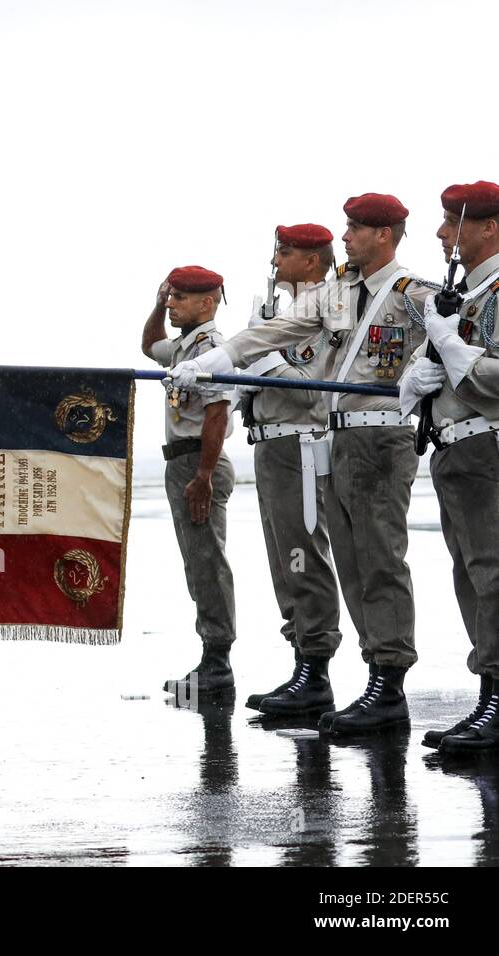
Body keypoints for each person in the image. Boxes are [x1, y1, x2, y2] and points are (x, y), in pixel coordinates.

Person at [172, 193, 431, 735]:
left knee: (376, 562)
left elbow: (453, 352)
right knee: (356, 569)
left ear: (384, 235)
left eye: (356, 228)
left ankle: (385, 683)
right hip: (337, 440)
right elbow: (275, 334)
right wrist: (220, 359)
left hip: (374, 439)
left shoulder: (417, 296)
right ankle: (363, 679)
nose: (347, 236)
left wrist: (436, 375)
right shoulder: (335, 295)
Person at [401, 182, 499, 752]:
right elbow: (412, 381)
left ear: (488, 228)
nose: (442, 234)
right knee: (471, 577)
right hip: (454, 453)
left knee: (494, 574)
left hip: (488, 450)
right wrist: (415, 379)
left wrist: (455, 351)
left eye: (453, 223)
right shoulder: (462, 296)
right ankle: (488, 695)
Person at [238, 226, 343, 717]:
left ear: (311, 262)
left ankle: (316, 670)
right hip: (270, 445)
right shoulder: (280, 316)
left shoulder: (328, 313)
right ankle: (301, 659)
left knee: (305, 557)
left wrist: (268, 359)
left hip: (300, 444)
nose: (277, 260)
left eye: (287, 252)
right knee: (285, 563)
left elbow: (314, 391)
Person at [141, 267, 237, 695]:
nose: (171, 305)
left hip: (200, 461)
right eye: (170, 297)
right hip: (183, 462)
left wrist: (203, 474)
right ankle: (210, 654)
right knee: (195, 560)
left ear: (207, 303)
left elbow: (218, 413)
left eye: (179, 298)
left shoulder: (212, 348)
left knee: (207, 560)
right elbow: (148, 346)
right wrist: (154, 303)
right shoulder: (184, 347)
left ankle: (218, 660)